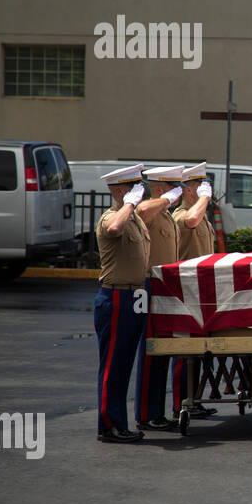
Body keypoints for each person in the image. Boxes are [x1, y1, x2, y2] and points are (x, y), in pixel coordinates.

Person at [94, 164, 150, 443]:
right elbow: (115, 228)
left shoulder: (134, 219)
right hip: (116, 296)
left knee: (124, 362)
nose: (139, 192)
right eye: (132, 187)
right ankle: (109, 425)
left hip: (135, 296)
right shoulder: (111, 217)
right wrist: (127, 204)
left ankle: (119, 422)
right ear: (119, 191)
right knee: (113, 364)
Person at [133, 165, 185, 432]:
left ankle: (156, 411)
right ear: (159, 188)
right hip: (149, 287)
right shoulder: (150, 210)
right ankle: (146, 413)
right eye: (173, 187)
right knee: (151, 352)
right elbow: (140, 211)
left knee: (163, 352)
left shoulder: (166, 216)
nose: (179, 193)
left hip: (166, 288)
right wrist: (166, 199)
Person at [170, 162, 217, 419]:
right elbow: (190, 219)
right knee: (186, 351)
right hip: (187, 293)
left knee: (200, 351)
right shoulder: (181, 215)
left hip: (203, 293)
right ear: (189, 191)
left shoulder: (202, 215)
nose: (205, 191)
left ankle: (193, 398)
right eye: (200, 185)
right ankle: (181, 403)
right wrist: (205, 198)